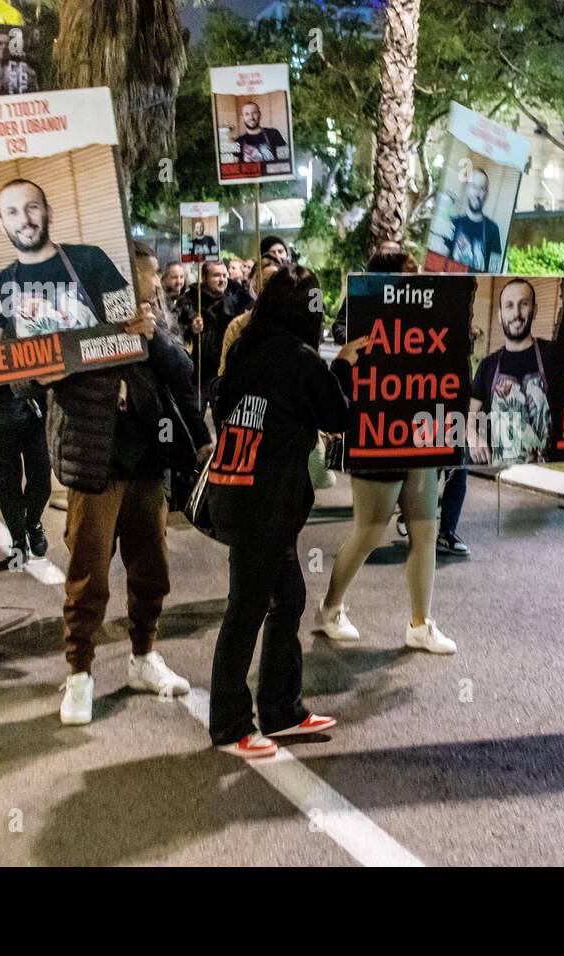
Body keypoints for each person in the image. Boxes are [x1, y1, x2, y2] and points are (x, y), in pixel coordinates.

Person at [208, 265, 368, 759]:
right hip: (264, 505)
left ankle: (281, 709)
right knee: (247, 610)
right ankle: (231, 725)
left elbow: (223, 407)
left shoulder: (245, 350)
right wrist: (341, 366)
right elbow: (336, 417)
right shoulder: (300, 361)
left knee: (288, 598)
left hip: (239, 493)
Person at [30, 302, 213, 725]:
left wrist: (156, 337)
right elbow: (23, 377)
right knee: (88, 575)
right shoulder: (65, 310)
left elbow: (183, 372)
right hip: (94, 464)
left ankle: (144, 656)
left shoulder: (152, 320)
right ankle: (79, 674)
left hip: (148, 463)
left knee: (152, 568)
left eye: (150, 289)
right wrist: (53, 371)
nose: (145, 295)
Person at [315, 250, 458, 656]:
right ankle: (330, 608)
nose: (416, 281)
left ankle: (420, 622)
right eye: (407, 274)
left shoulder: (431, 311)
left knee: (425, 529)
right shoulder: (356, 312)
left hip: (423, 431)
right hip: (378, 432)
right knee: (371, 531)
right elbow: (345, 354)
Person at [0, 179, 133, 340]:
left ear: (49, 213)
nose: (25, 220)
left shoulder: (92, 258)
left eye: (32, 207)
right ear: (1, 225)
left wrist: (140, 324)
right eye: (12, 212)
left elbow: (127, 319)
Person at [468, 278, 555, 466]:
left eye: (523, 304)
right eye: (509, 306)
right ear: (500, 316)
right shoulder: (487, 366)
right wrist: (473, 437)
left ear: (535, 310)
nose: (516, 314)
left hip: (548, 468)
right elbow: (471, 415)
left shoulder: (554, 354)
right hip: (502, 474)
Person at [0, 384, 51, 562]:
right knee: (9, 481)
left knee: (42, 478)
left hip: (35, 407)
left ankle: (33, 522)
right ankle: (18, 540)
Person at [175, 259, 242, 412]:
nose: (222, 280)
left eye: (225, 275)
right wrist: (191, 325)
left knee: (225, 421)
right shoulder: (189, 300)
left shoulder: (234, 300)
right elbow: (175, 330)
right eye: (216, 275)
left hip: (224, 373)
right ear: (204, 278)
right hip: (197, 375)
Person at [445, 168, 502, 273]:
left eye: (482, 189)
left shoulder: (493, 230)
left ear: (486, 194)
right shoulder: (454, 223)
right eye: (474, 187)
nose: (477, 194)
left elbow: (495, 271)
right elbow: (443, 260)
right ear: (468, 189)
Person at [132, 241, 179, 337]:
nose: (158, 284)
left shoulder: (159, 311)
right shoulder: (126, 325)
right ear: (135, 276)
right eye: (153, 274)